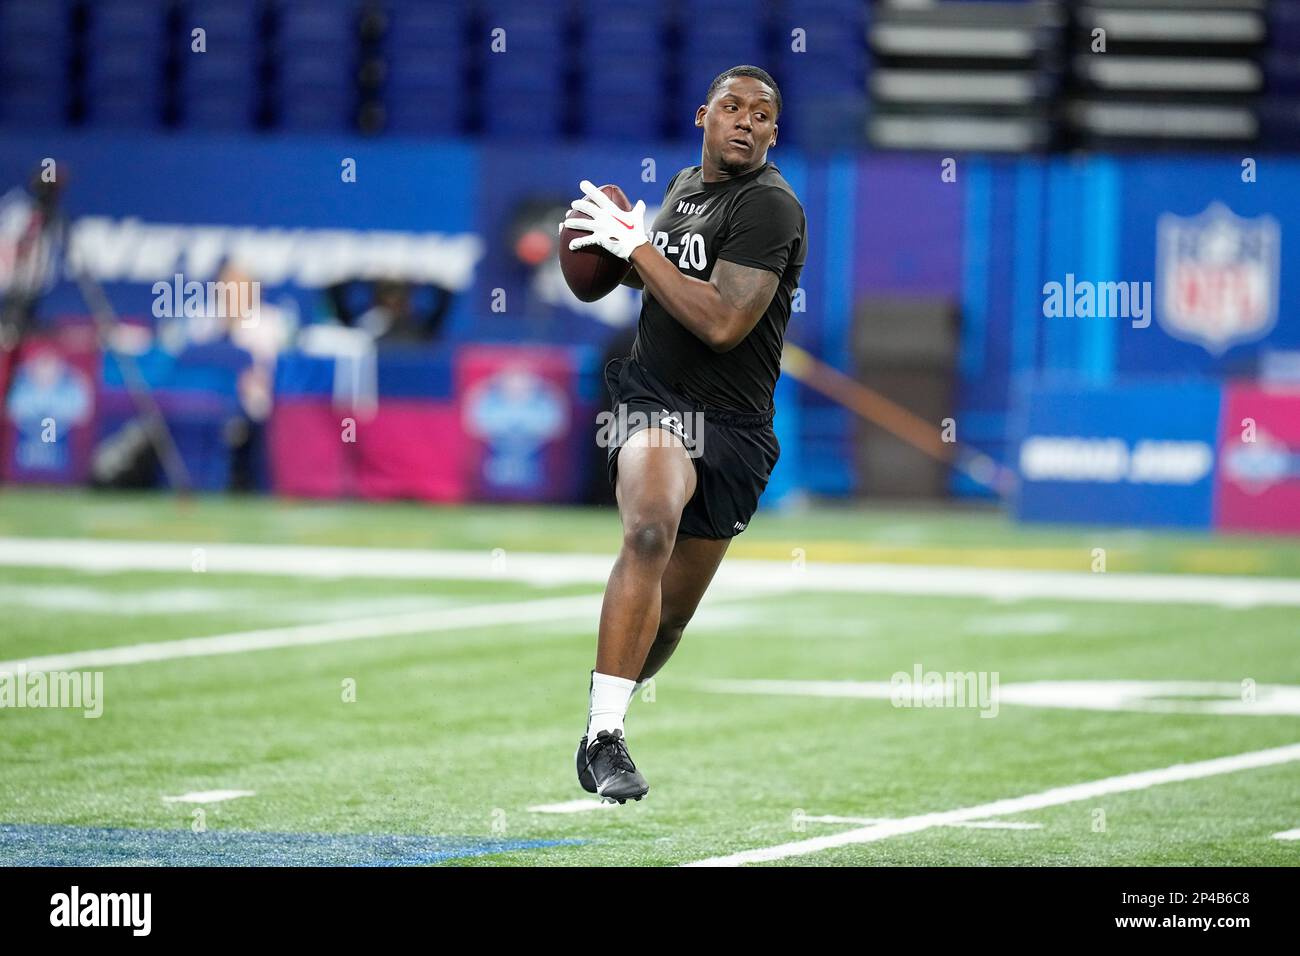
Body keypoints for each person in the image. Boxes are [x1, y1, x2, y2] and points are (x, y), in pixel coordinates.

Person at [561, 65, 807, 803]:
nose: (746, 122)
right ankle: (606, 735)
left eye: (761, 115)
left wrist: (637, 249)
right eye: (731, 107)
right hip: (654, 402)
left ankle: (605, 715)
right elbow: (667, 282)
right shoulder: (681, 190)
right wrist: (617, 246)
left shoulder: (771, 207)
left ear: (772, 131)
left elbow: (724, 323)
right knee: (646, 531)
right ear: (703, 114)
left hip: (734, 429)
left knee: (665, 625)